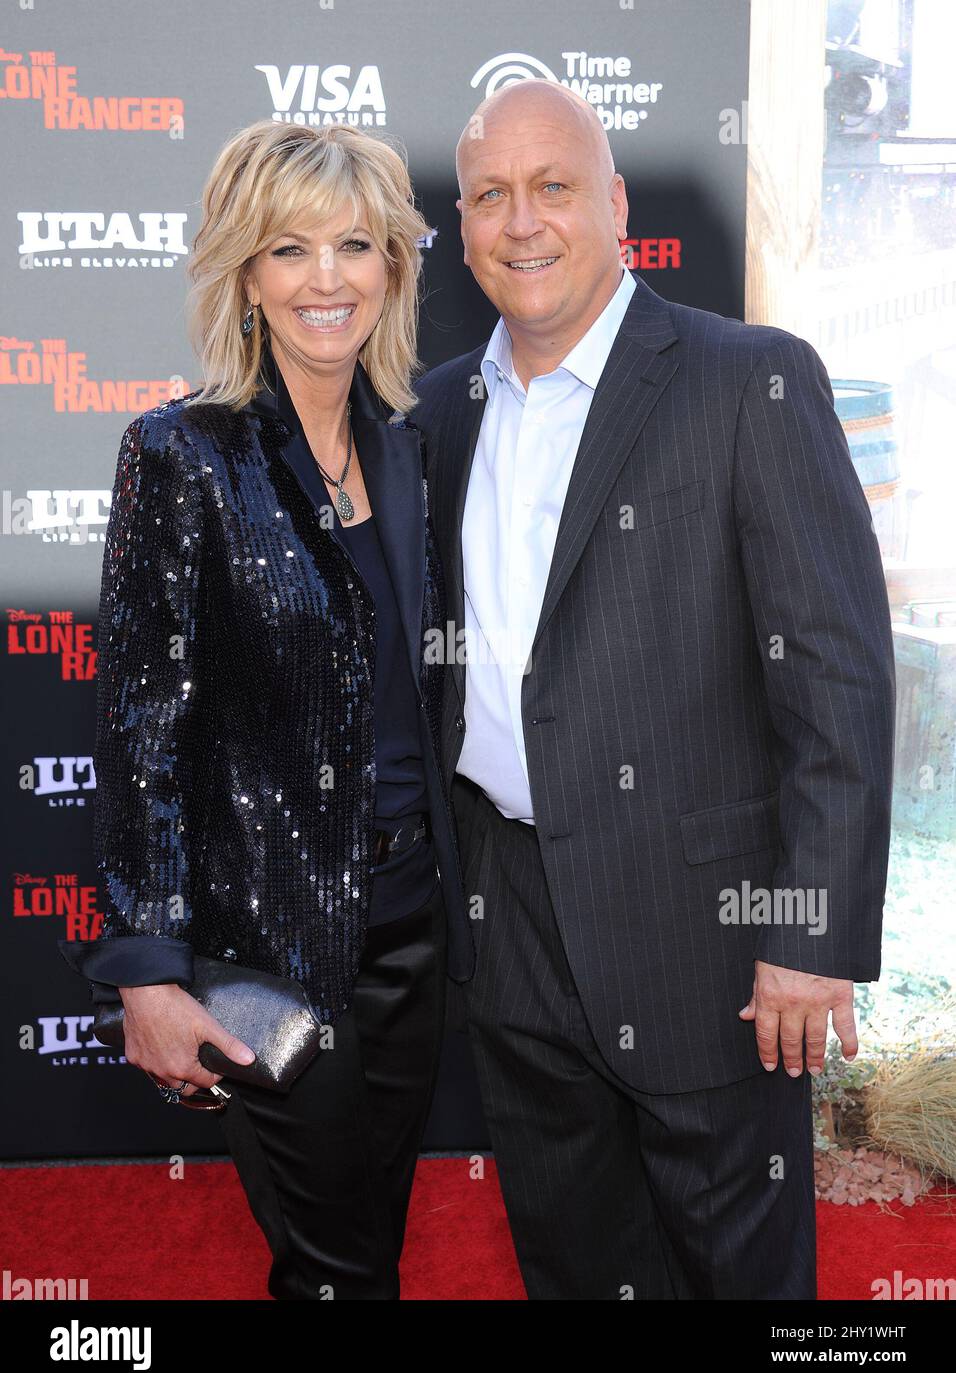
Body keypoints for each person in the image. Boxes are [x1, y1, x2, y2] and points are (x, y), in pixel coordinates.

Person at [410, 79, 895, 1300]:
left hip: (713, 942)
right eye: (489, 196)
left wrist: (808, 933)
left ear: (615, 204)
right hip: (512, 919)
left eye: (553, 187)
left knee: (742, 1275)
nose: (522, 222)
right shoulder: (435, 415)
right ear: (460, 226)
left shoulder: (748, 381)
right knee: (574, 1262)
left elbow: (836, 675)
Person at [59, 119, 475, 1301]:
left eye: (355, 245)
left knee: (363, 1250)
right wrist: (146, 971)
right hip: (266, 951)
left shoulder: (411, 451)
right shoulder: (183, 453)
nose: (327, 279)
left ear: (393, 265)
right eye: (290, 249)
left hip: (411, 930)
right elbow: (142, 731)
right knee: (337, 1266)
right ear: (244, 272)